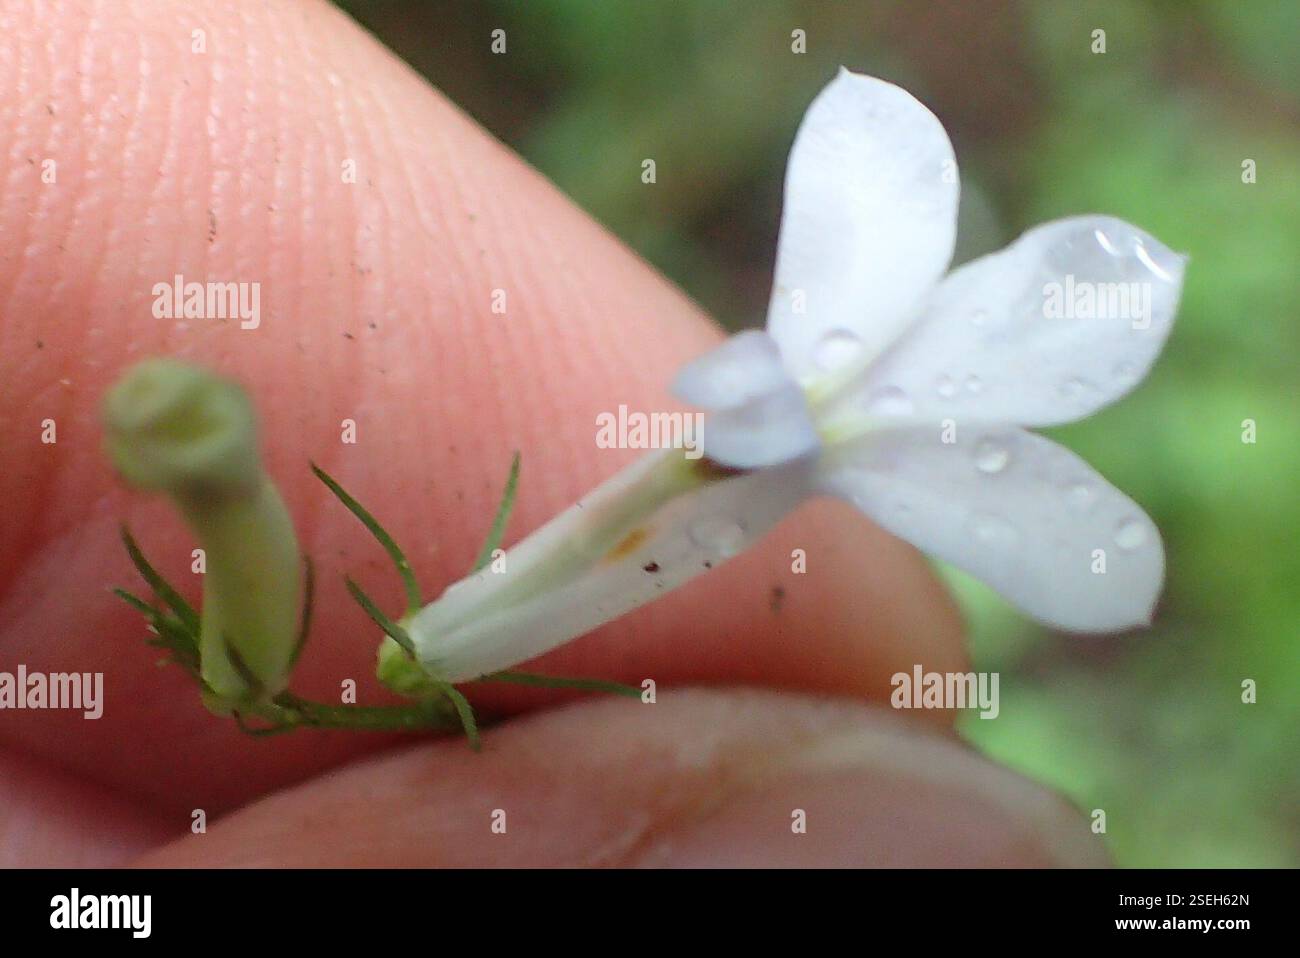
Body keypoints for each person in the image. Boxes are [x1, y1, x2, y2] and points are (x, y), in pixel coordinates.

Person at [0, 0, 1102, 867]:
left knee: (428, 651)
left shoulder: (788, 438)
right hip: (473, 627)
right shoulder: (766, 383)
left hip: (483, 628)